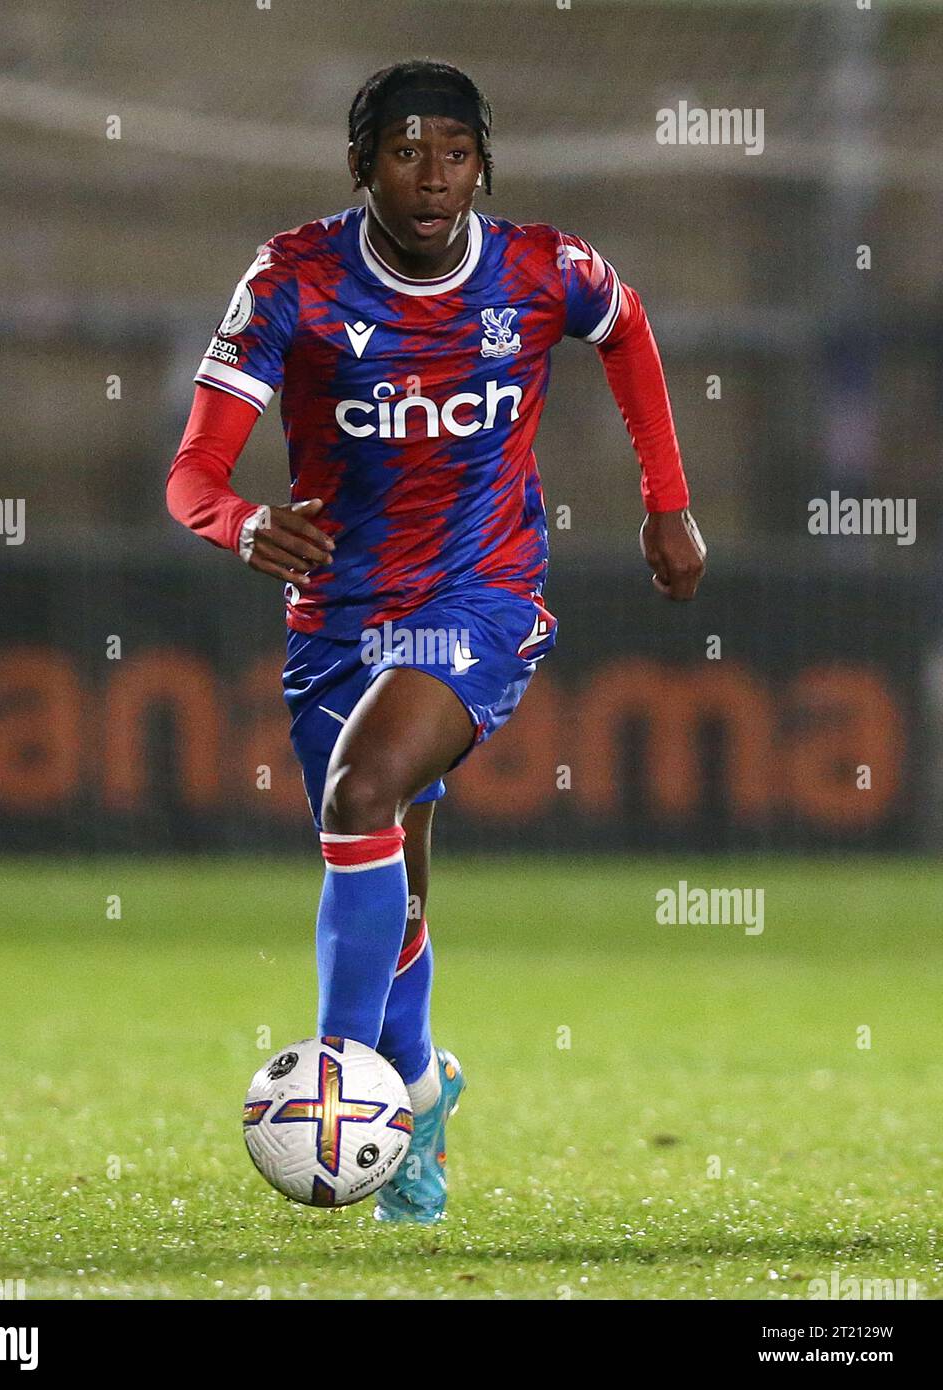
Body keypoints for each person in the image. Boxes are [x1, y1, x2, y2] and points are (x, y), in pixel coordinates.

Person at [166, 58, 706, 1223]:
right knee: (387, 872)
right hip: (335, 615)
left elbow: (627, 325)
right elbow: (193, 475)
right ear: (362, 165)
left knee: (361, 792)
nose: (433, 177)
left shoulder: (540, 268)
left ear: (483, 165)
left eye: (455, 153)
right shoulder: (294, 280)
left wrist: (668, 498)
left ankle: (332, 1095)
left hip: (482, 591)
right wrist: (244, 522)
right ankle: (417, 1094)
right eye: (406, 153)